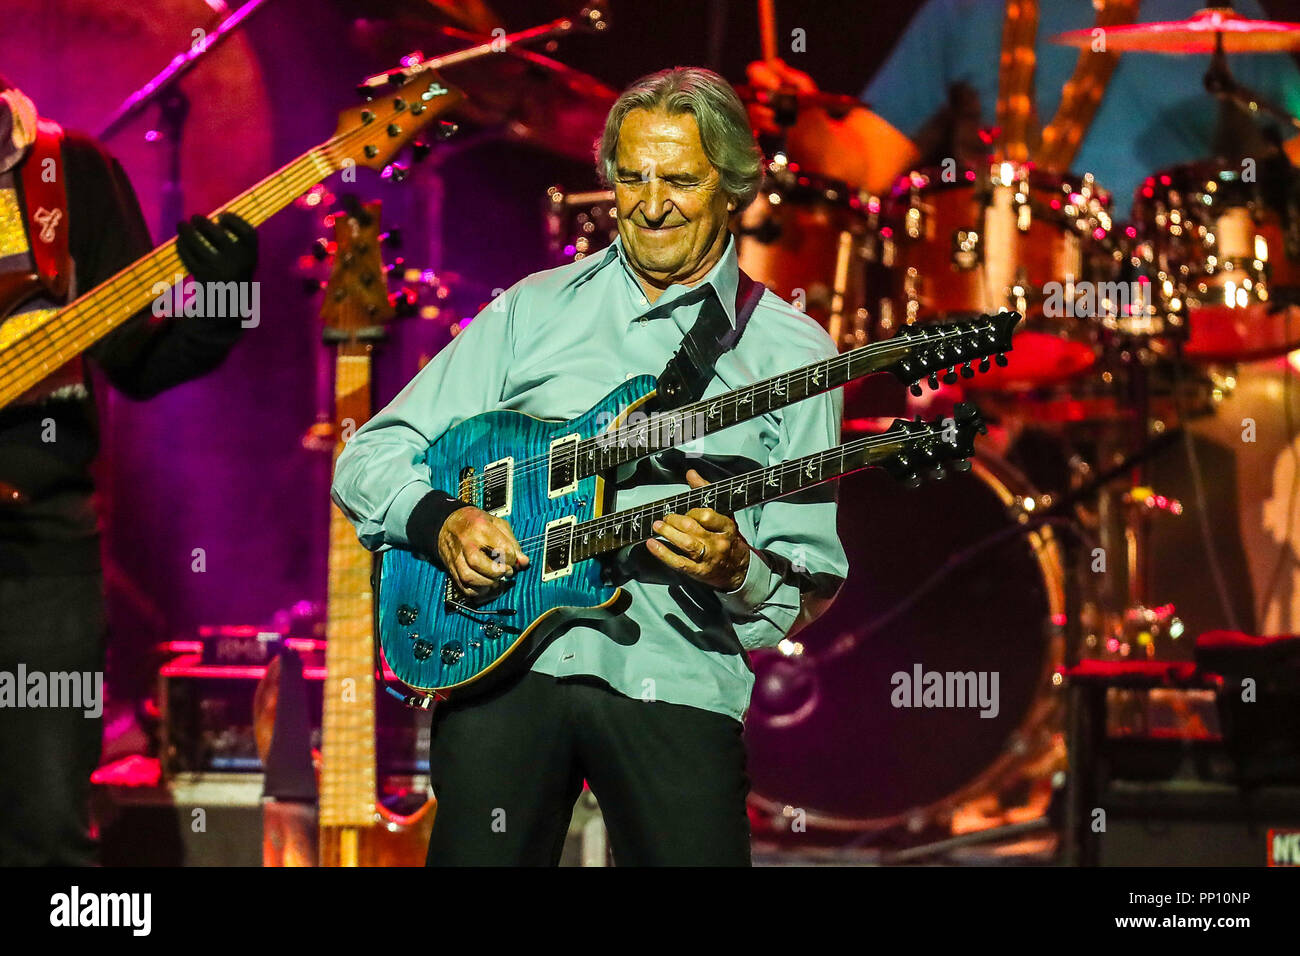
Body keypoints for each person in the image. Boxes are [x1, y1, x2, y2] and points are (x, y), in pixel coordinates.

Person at [332, 67, 847, 866]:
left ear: (733, 188)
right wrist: (444, 523)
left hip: (672, 675)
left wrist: (737, 566)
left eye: (679, 179)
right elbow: (369, 452)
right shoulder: (532, 308)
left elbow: (804, 578)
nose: (649, 203)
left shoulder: (795, 353)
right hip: (501, 658)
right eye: (631, 177)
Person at [0, 74, 258, 865]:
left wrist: (224, 300)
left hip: (40, 551)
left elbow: (140, 360)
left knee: (44, 831)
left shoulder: (66, 172)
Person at [747, 0, 1300, 217]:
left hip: (1194, 330)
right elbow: (860, 166)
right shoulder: (963, 10)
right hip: (999, 332)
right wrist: (801, 116)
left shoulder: (1221, 16)